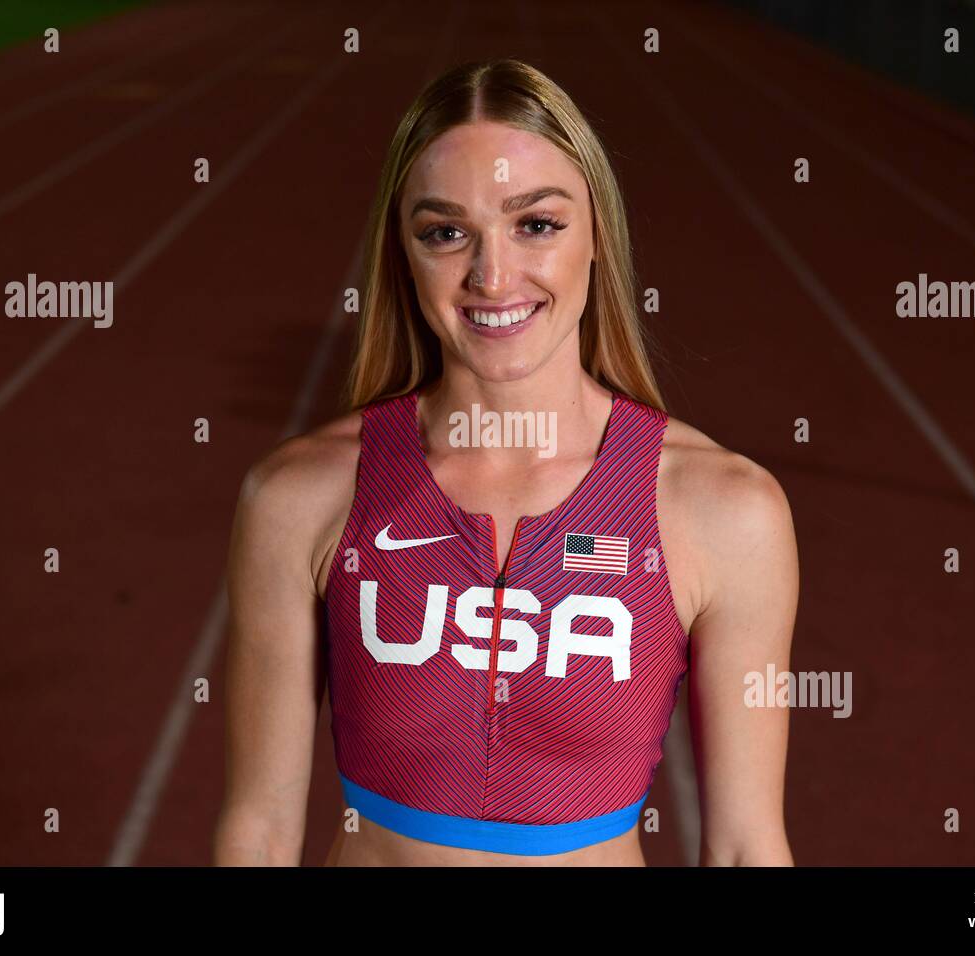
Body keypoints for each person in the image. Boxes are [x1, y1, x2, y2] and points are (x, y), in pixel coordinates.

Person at [214, 59, 799, 867]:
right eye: (445, 231)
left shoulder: (725, 511)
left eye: (536, 224)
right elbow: (260, 832)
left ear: (598, 236)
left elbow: (743, 848)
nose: (492, 277)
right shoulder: (301, 498)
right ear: (404, 254)